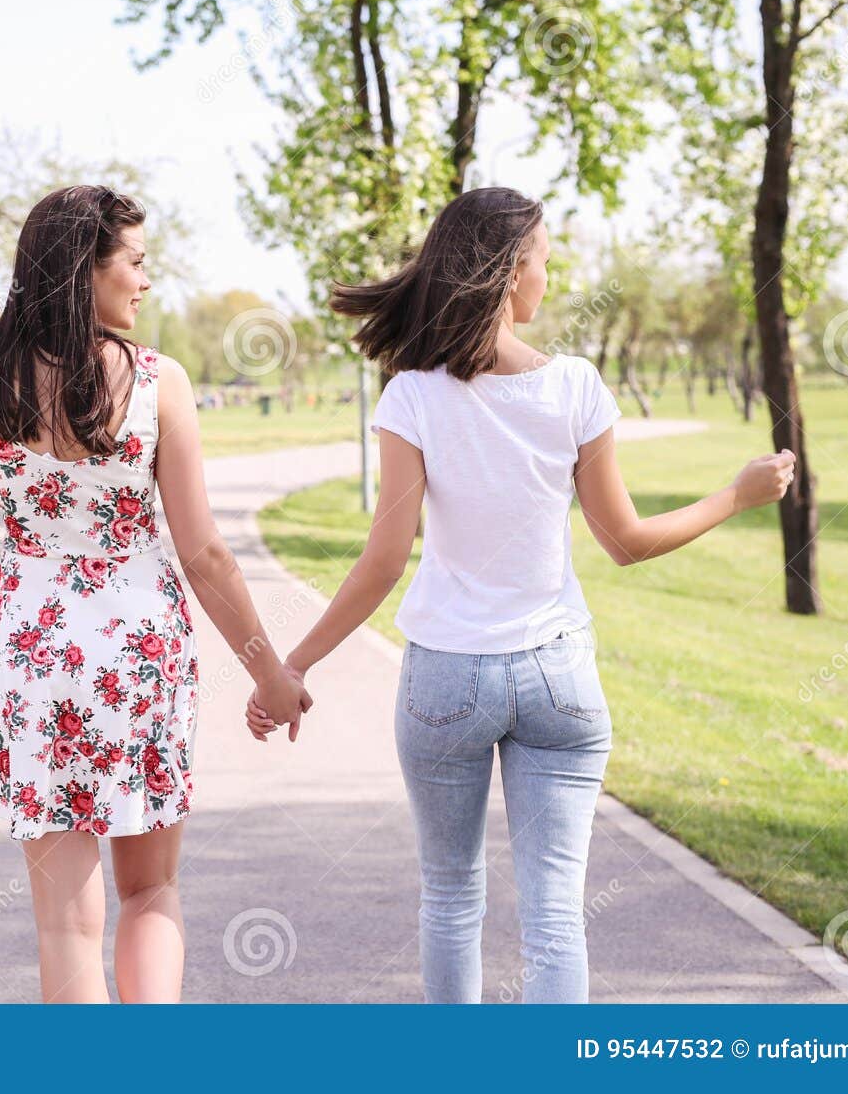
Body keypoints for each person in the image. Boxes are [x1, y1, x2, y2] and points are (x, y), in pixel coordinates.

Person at [251, 186, 794, 1002]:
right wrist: (736, 495)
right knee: (555, 919)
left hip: (446, 679)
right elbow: (626, 541)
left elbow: (382, 562)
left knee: (451, 896)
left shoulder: (413, 395)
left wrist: (289, 668)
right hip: (557, 678)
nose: (550, 273)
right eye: (544, 257)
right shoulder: (575, 385)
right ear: (510, 272)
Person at [0, 185, 311, 1003]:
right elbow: (203, 552)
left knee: (64, 925)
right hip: (138, 652)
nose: (146, 280)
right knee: (150, 891)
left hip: (32, 653)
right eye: (135, 262)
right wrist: (269, 671)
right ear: (84, 270)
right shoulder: (160, 383)